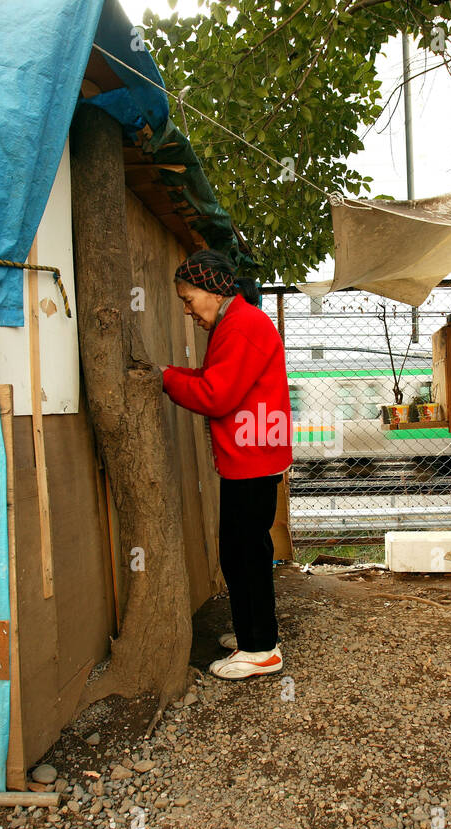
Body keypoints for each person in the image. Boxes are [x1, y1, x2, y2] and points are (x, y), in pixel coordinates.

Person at [160, 250, 292, 680]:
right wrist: (172, 372)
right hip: (254, 453)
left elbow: (216, 394)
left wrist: (165, 378)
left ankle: (261, 650)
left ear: (212, 291)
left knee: (243, 554)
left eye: (188, 298)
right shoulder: (238, 321)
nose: (187, 309)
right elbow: (212, 376)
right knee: (245, 551)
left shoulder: (240, 325)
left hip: (251, 458)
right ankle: (254, 634)